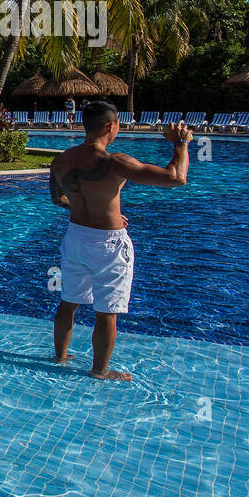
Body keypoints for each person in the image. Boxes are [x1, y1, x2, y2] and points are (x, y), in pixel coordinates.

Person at [49, 101, 191, 381]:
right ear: (110, 126)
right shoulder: (115, 162)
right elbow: (176, 178)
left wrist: (89, 209)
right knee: (107, 311)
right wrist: (181, 143)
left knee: (68, 302)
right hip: (109, 245)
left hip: (76, 236)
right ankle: (100, 371)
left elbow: (58, 199)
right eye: (118, 125)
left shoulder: (61, 160)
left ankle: (61, 356)